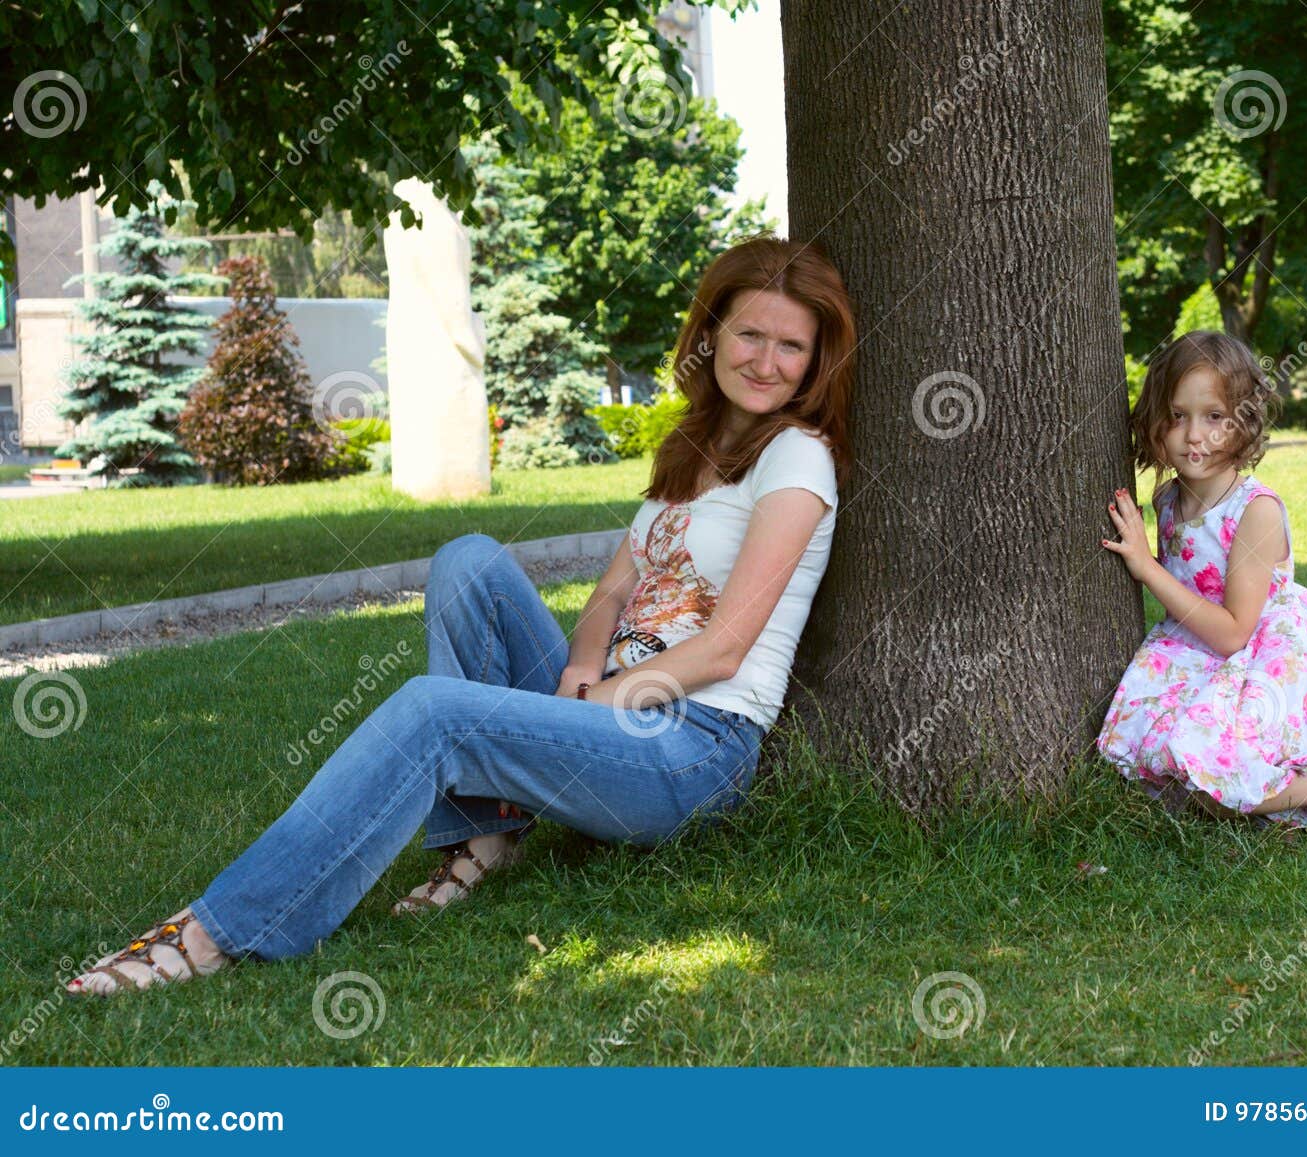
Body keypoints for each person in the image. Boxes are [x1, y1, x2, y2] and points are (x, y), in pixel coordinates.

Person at [67, 236, 857, 994]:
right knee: (468, 559)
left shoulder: (796, 456)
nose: (765, 361)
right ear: (710, 334)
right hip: (603, 705)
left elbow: (723, 649)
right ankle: (489, 835)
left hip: (688, 747)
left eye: (791, 346)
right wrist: (582, 668)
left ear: (815, 361)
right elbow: (615, 591)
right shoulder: (692, 445)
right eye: (750, 333)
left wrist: (596, 699)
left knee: (434, 714)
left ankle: (221, 932)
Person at [1097, 330, 1307, 846]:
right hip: (1194, 653)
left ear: (1244, 421)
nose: (1192, 435)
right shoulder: (1168, 500)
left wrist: (1147, 567)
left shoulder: (1256, 511)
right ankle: (1281, 793)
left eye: (1213, 416)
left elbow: (1232, 633)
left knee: (1212, 783)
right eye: (1177, 416)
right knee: (1163, 774)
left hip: (1260, 660)